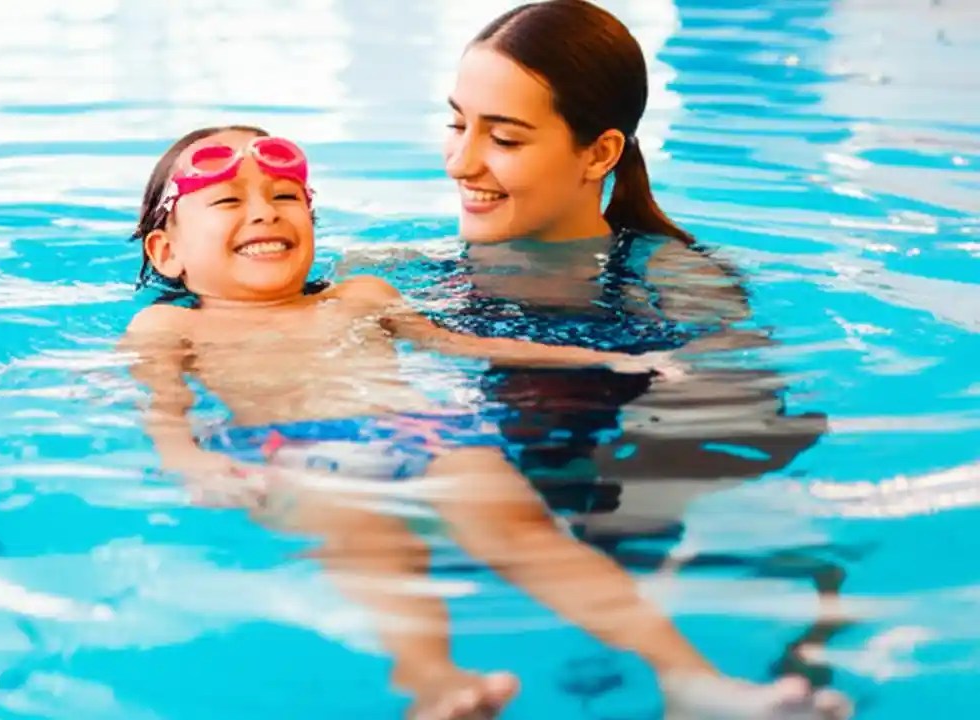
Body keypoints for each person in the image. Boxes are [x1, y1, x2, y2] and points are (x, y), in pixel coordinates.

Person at [118, 124, 850, 719]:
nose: (264, 213)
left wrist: (610, 360)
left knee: (528, 534)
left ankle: (693, 682)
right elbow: (163, 406)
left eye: (285, 196)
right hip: (291, 451)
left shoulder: (360, 295)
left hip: (424, 434)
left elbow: (466, 347)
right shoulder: (169, 328)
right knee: (370, 543)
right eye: (228, 201)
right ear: (167, 250)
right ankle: (435, 684)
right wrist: (189, 459)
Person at [339, 0, 846, 698]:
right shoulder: (401, 276)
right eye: (457, 125)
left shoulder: (671, 283)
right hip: (499, 515)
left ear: (600, 153)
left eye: (504, 138)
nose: (461, 162)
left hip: (630, 509)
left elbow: (738, 421)